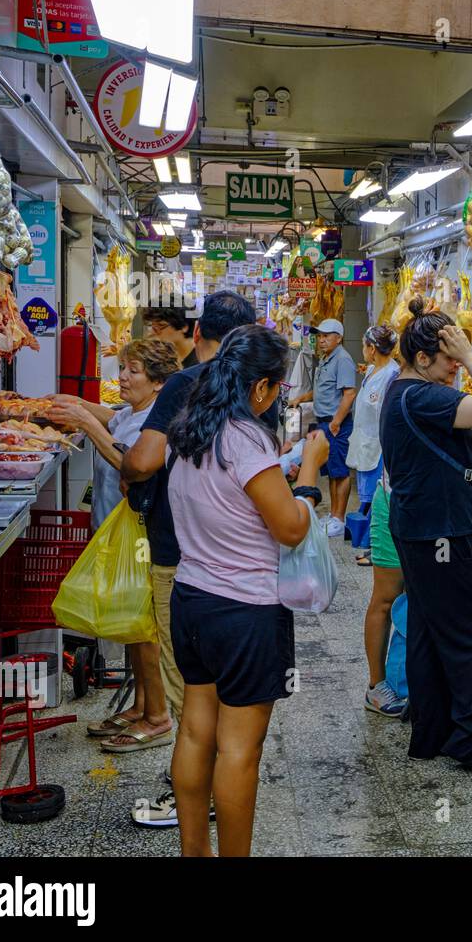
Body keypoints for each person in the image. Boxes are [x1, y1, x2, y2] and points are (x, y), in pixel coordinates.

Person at [166, 324, 329, 857]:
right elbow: (290, 528)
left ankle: (194, 851)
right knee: (238, 750)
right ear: (261, 387)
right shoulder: (246, 437)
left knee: (195, 733)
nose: (278, 395)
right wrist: (309, 473)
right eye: (278, 386)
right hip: (245, 611)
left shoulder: (190, 429)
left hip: (192, 601)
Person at [120, 290, 259, 828]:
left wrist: (120, 459)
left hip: (182, 557)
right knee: (228, 695)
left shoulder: (185, 383)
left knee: (189, 692)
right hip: (241, 564)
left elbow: (144, 461)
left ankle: (192, 799)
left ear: (198, 333)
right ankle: (224, 789)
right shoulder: (254, 388)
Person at [378, 298, 472, 776]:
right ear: (422, 359)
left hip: (420, 528)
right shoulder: (424, 397)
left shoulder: (401, 392)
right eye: (449, 359)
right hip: (445, 533)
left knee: (430, 629)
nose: (456, 367)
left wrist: (460, 356)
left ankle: (433, 733)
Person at [49, 337, 180, 753]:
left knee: (144, 626)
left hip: (141, 534)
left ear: (158, 383)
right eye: (122, 368)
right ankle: (141, 705)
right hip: (118, 527)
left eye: (132, 371)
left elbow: (128, 462)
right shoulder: (135, 411)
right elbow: (114, 418)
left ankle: (158, 717)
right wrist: (78, 404)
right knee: (131, 618)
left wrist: (85, 423)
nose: (122, 377)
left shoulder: (153, 424)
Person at [290, 318, 356, 537]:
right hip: (324, 423)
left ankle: (339, 518)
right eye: (319, 336)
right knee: (331, 472)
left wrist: (336, 422)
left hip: (336, 424)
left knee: (340, 472)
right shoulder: (326, 358)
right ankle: (333, 515)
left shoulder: (343, 359)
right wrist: (301, 398)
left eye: (326, 336)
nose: (321, 340)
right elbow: (321, 389)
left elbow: (349, 394)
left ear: (339, 338)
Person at [348, 324, 399, 565]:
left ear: (372, 349)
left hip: (379, 447)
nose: (363, 350)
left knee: (379, 499)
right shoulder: (372, 370)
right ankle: (370, 544)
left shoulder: (392, 375)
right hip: (365, 443)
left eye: (364, 346)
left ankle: (375, 547)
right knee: (368, 497)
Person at [143, 302, 199, 369]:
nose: (152, 332)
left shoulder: (202, 360)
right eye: (152, 326)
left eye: (161, 325)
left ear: (183, 327)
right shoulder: (162, 356)